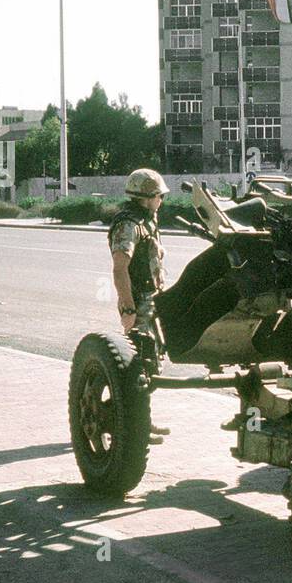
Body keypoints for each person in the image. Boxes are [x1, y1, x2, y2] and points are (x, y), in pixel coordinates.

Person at [108, 168, 171, 441]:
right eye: (159, 196)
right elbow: (120, 268)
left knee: (151, 363)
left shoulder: (147, 221)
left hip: (152, 301)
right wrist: (128, 308)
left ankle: (140, 419)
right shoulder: (129, 225)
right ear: (146, 197)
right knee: (140, 366)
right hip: (140, 302)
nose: (161, 201)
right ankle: (133, 425)